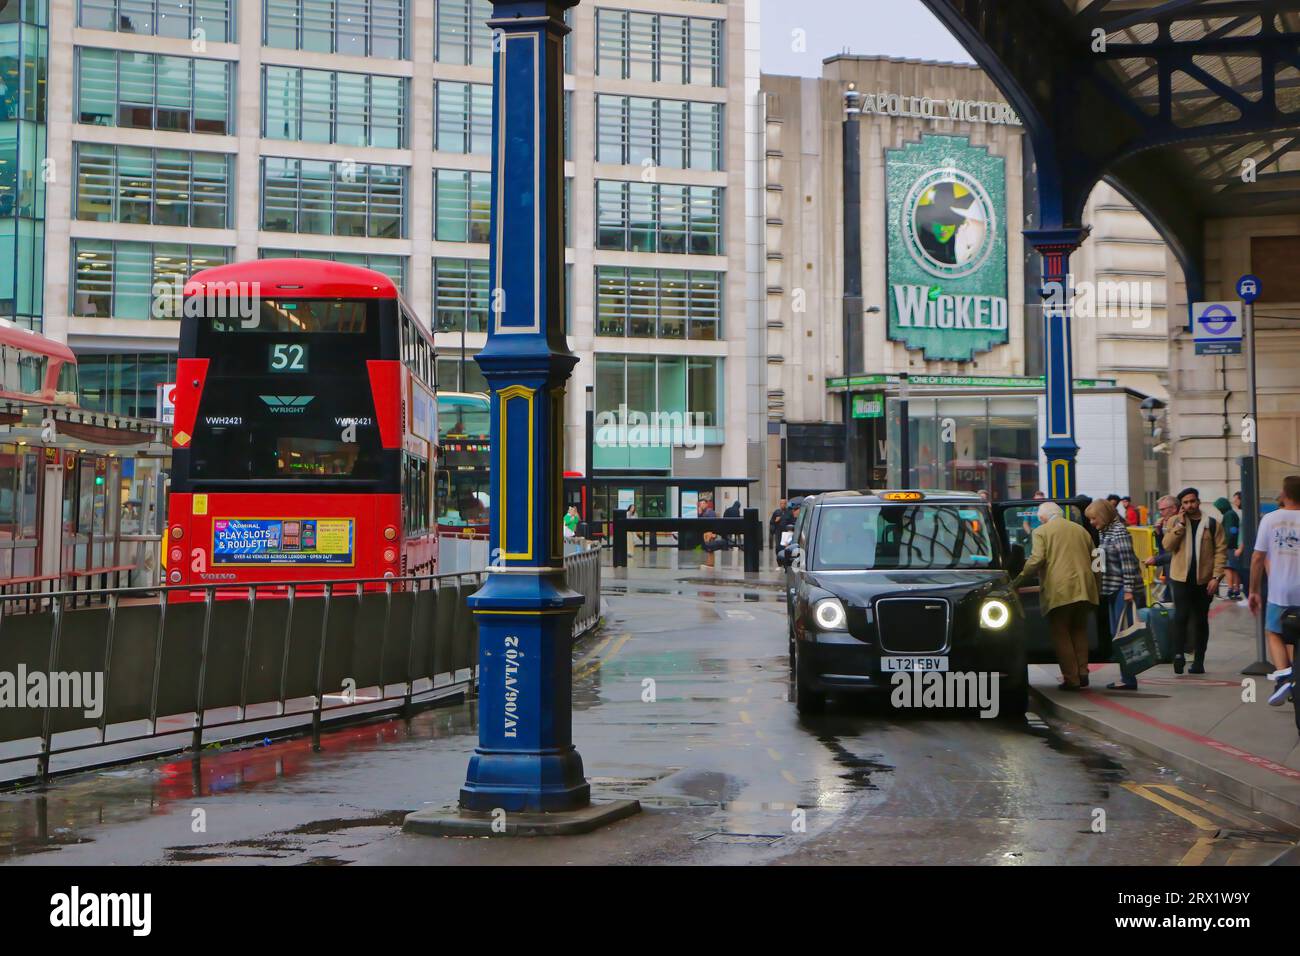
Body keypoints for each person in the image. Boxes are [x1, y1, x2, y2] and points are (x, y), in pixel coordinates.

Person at [1011, 501, 1100, 691]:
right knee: (1079, 630)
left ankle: (1071, 678)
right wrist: (1097, 585)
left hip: (1060, 590)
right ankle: (1083, 672)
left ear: (1043, 517)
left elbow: (1036, 560)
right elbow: (1097, 559)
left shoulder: (1041, 532)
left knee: (1061, 633)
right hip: (1085, 588)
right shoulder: (1081, 530)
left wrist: (1017, 581)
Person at [1163, 487, 1227, 675]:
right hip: (1180, 578)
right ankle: (1178, 655)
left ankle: (1199, 661)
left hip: (1204, 580)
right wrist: (1180, 526)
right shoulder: (1174, 521)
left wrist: (1216, 577)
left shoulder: (1213, 524)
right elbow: (1167, 546)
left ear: (1198, 502)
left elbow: (1221, 552)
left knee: (1200, 620)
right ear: (1181, 506)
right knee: (1180, 617)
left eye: (1192, 501)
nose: (1190, 505)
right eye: (1185, 502)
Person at [1248, 475, 1300, 706]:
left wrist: (1253, 590)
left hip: (1281, 591)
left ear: (1285, 494)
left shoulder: (1270, 519)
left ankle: (1283, 675)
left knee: (1275, 632)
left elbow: (1258, 557)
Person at [1087, 498, 1145, 689]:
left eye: (1094, 518)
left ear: (1103, 515)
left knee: (1123, 634)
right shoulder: (1105, 532)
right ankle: (1126, 676)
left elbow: (1128, 563)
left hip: (1121, 589)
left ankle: (1129, 679)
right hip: (1111, 588)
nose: (1091, 522)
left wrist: (1129, 590)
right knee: (1117, 633)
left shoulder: (1119, 532)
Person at [1215, 496, 1243, 601]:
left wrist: (1225, 545)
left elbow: (1231, 531)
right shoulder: (1232, 514)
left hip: (1228, 546)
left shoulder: (1229, 515)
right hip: (1233, 546)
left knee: (1228, 569)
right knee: (1234, 569)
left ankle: (1231, 590)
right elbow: (1234, 531)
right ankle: (1236, 590)